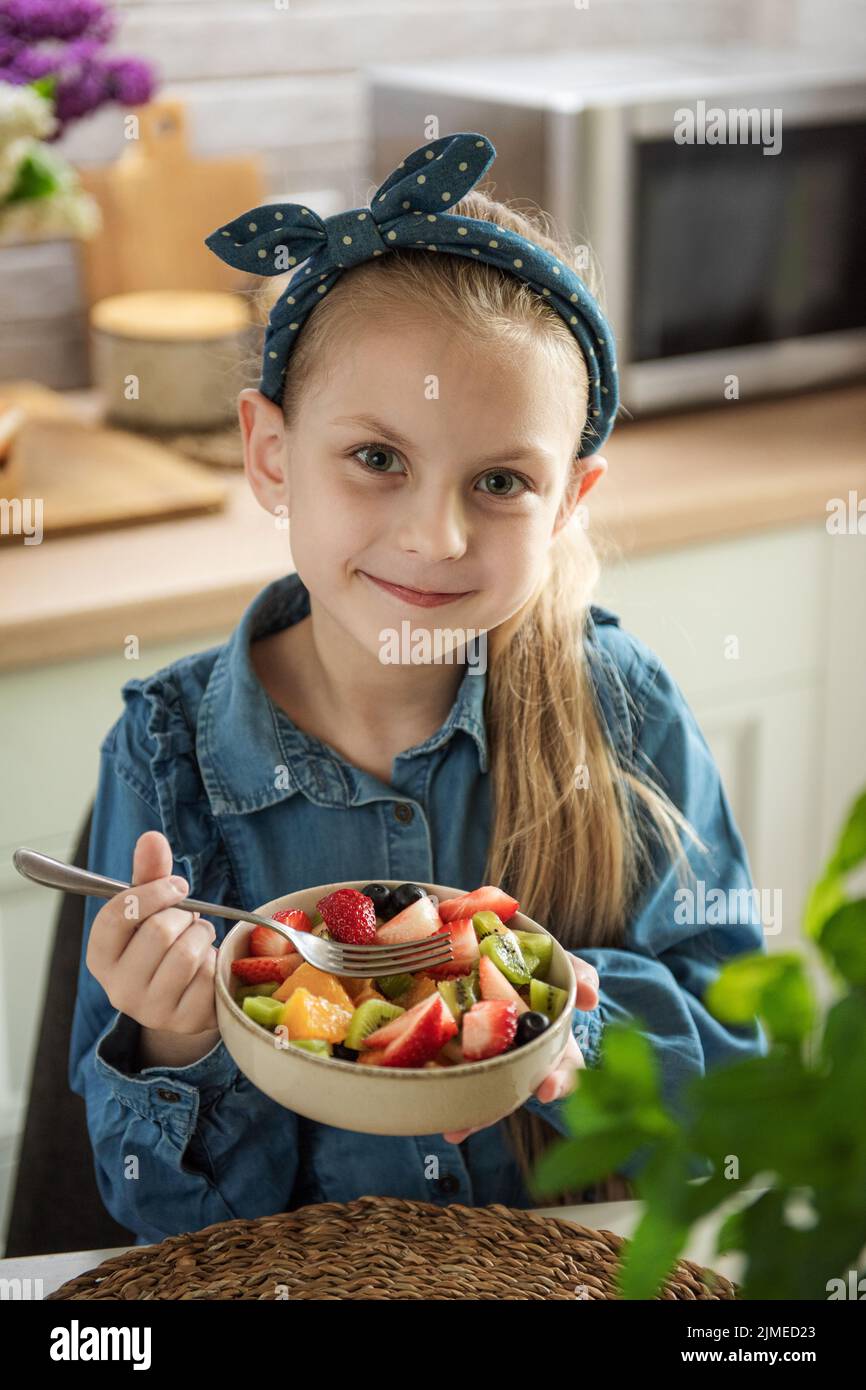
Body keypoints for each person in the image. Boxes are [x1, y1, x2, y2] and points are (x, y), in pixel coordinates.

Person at [68, 132, 767, 1245]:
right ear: (269, 454)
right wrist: (179, 1044)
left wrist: (559, 1014)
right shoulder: (163, 752)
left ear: (569, 501)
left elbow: (737, 1088)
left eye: (499, 481)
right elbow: (160, 1217)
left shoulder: (620, 709)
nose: (434, 536)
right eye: (377, 459)